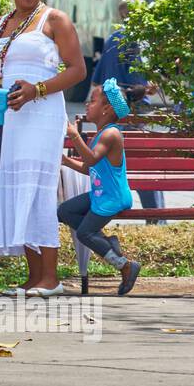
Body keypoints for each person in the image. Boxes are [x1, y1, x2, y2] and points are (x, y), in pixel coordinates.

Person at [0, 0, 87, 297]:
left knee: (37, 188)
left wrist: (37, 90)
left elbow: (77, 70)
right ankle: (33, 277)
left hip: (43, 116)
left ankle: (50, 278)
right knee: (15, 188)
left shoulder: (54, 20)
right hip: (11, 117)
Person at [59, 79, 144, 296]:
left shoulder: (110, 134)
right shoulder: (101, 134)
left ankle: (124, 265)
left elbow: (93, 159)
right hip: (101, 193)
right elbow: (89, 168)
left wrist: (75, 135)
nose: (87, 105)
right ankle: (107, 242)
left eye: (92, 101)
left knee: (85, 234)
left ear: (106, 108)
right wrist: (65, 161)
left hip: (112, 197)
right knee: (65, 211)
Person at [91, 0, 164, 221]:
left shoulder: (113, 39)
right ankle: (156, 217)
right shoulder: (139, 42)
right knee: (145, 166)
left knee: (119, 165)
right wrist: (150, 86)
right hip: (136, 112)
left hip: (112, 113)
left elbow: (97, 80)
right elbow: (143, 86)